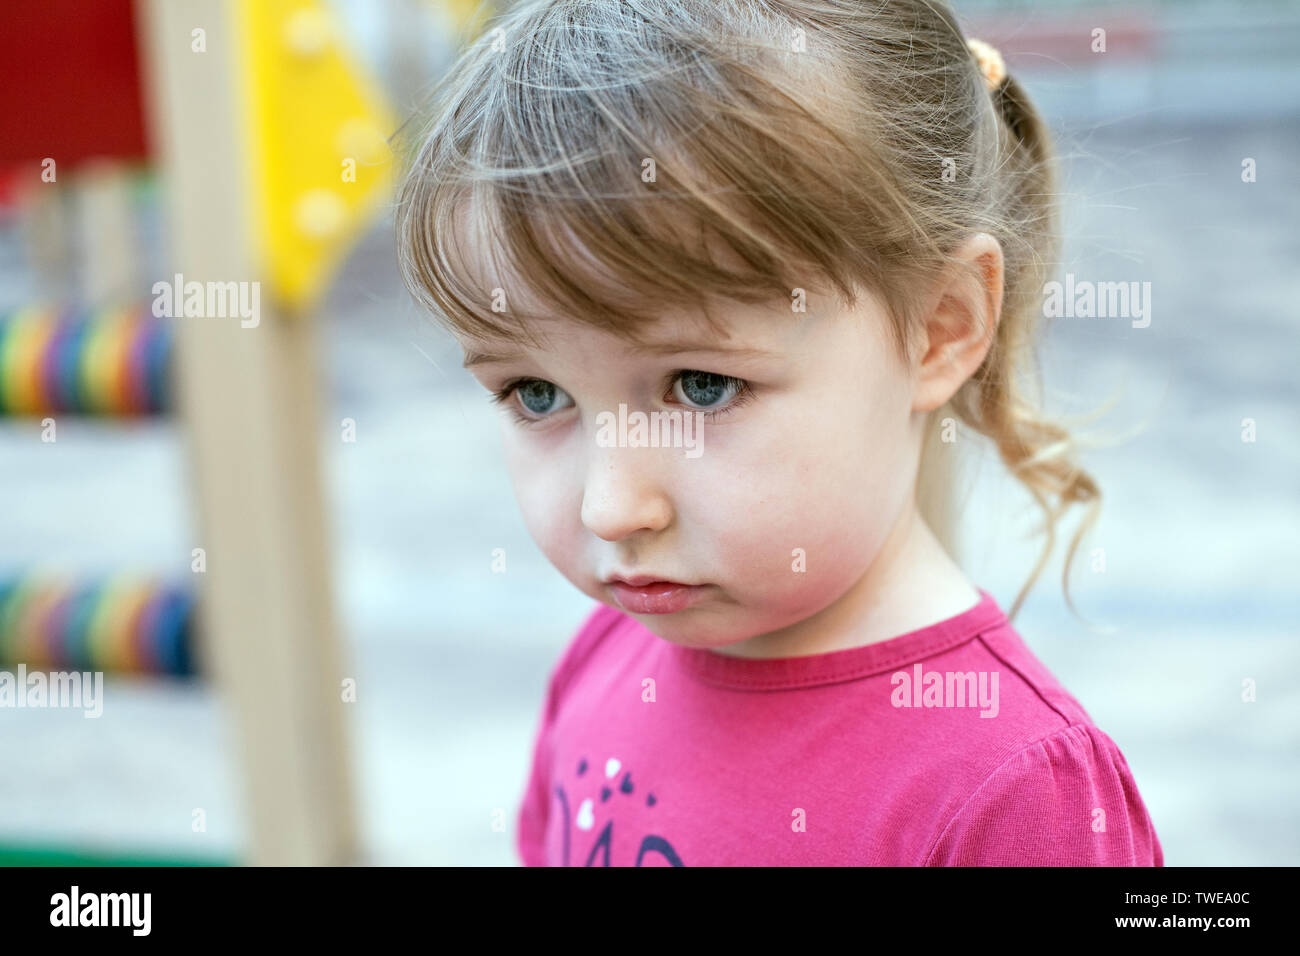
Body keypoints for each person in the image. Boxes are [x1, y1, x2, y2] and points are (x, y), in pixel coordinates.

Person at [395, 0, 1163, 866]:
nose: (612, 509)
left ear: (941, 326)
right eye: (536, 394)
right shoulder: (605, 658)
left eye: (702, 385)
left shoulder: (1011, 789)